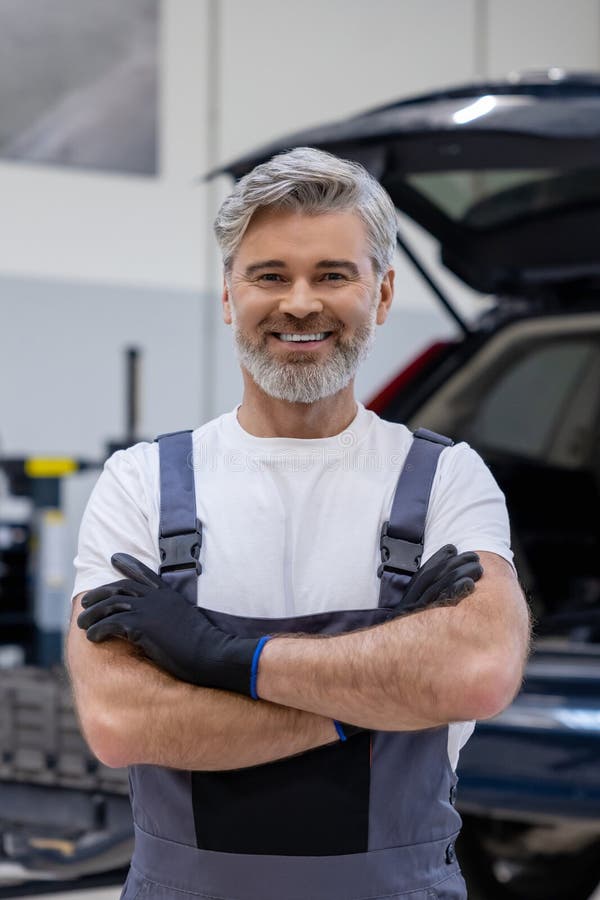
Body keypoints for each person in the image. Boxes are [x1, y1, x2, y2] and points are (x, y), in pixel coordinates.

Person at [67, 147, 531, 900]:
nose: (301, 303)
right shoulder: (143, 484)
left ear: (381, 295)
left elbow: (475, 673)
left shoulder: (446, 477)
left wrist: (217, 657)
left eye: (334, 275)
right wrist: (378, 700)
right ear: (228, 295)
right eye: (270, 275)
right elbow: (122, 721)